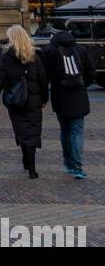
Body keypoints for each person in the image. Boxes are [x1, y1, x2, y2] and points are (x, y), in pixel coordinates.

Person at [0, 24, 48, 179]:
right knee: (32, 132)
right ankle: (32, 168)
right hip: (34, 99)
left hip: (15, 100)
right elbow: (43, 79)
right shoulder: (34, 55)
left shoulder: (6, 57)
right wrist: (44, 98)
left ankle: (26, 160)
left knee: (22, 131)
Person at [41, 25, 96, 179]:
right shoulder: (81, 49)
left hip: (60, 95)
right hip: (79, 94)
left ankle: (68, 162)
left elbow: (44, 77)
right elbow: (91, 72)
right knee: (77, 132)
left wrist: (44, 97)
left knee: (65, 130)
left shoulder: (49, 51)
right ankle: (77, 166)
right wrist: (84, 84)